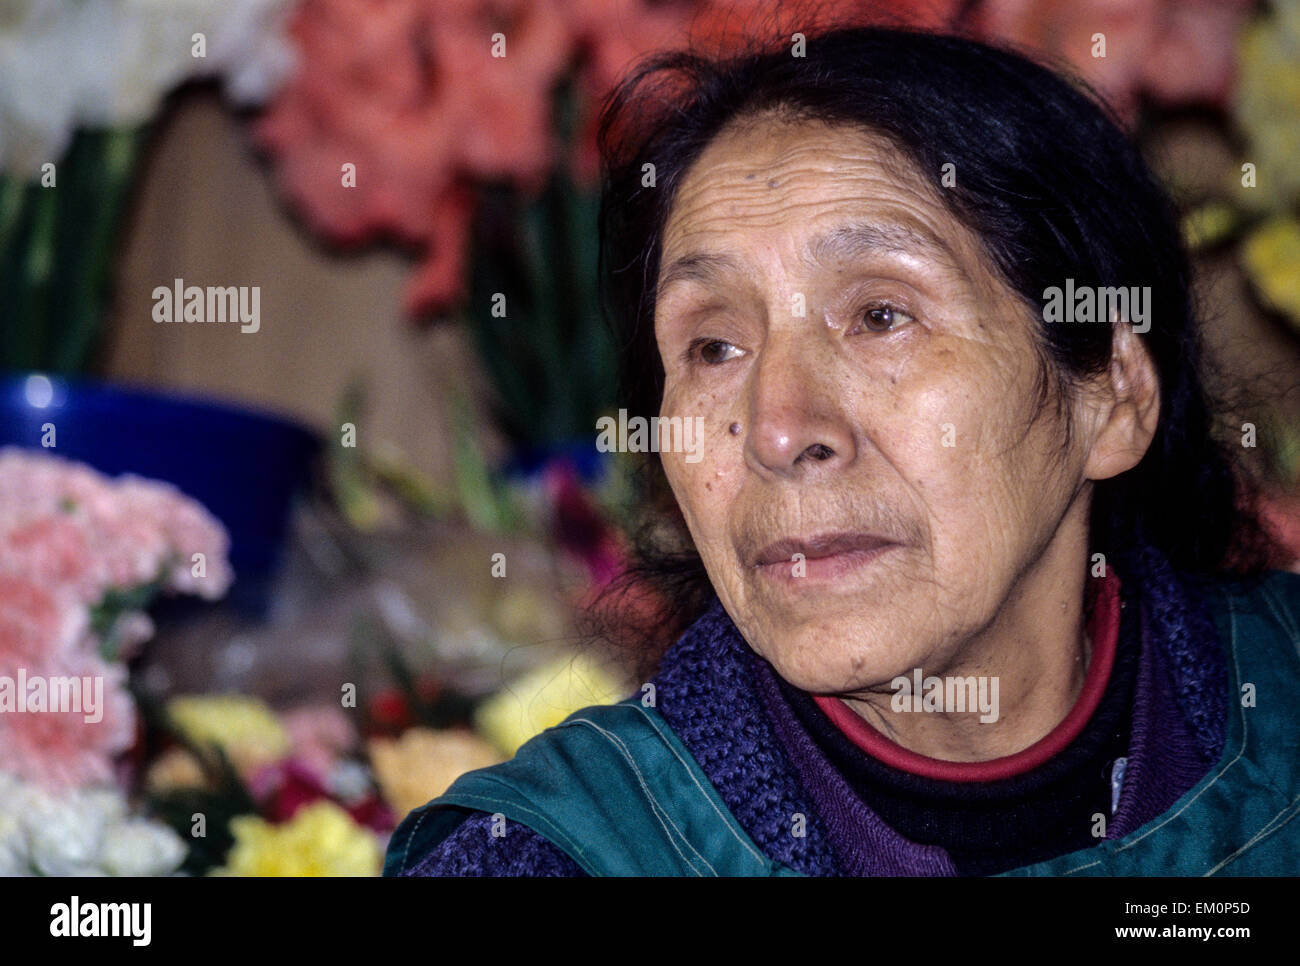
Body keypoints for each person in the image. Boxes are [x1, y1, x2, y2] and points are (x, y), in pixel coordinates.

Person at [385, 25, 1300, 877]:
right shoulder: (563, 854)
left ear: (1112, 395)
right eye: (713, 347)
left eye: (881, 315)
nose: (779, 430)